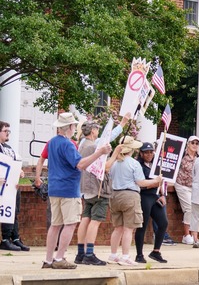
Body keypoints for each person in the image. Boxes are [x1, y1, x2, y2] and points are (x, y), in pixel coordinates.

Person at [43, 113, 110, 269]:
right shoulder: (67, 144)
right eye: (74, 126)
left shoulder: (52, 142)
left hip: (54, 188)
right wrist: (99, 152)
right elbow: (80, 164)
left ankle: (48, 260)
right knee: (70, 224)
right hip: (68, 189)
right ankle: (59, 258)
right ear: (70, 127)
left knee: (55, 225)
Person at [75, 119, 126, 266]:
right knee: (95, 221)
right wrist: (116, 152)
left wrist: (122, 124)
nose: (99, 132)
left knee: (85, 218)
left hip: (85, 187)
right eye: (97, 130)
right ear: (93, 131)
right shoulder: (95, 146)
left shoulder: (82, 145)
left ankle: (80, 253)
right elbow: (107, 167)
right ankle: (89, 253)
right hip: (98, 187)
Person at [108, 138, 162, 266]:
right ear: (131, 149)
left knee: (118, 228)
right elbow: (141, 182)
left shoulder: (114, 163)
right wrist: (156, 181)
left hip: (115, 194)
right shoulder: (134, 163)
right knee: (128, 229)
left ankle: (113, 254)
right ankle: (125, 256)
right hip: (130, 195)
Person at [132, 142, 169, 264]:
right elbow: (142, 184)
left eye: (151, 152)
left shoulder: (155, 165)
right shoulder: (138, 165)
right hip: (144, 196)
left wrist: (162, 194)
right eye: (146, 152)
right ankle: (139, 254)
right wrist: (155, 183)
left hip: (155, 196)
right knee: (142, 225)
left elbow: (161, 182)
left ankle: (156, 251)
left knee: (163, 223)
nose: (149, 154)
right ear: (141, 153)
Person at [0, 120, 29, 252]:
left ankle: (15, 238)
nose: (8, 133)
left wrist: (20, 172)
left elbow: (15, 164)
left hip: (11, 186)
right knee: (5, 210)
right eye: (5, 131)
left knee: (13, 211)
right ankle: (5, 239)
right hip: (2, 187)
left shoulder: (8, 148)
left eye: (8, 131)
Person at [174, 136, 199, 245]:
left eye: (196, 143)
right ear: (188, 144)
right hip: (182, 185)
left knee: (195, 209)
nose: (194, 145)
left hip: (194, 186)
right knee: (189, 208)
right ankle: (186, 235)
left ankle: (194, 236)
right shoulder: (181, 155)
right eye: (192, 143)